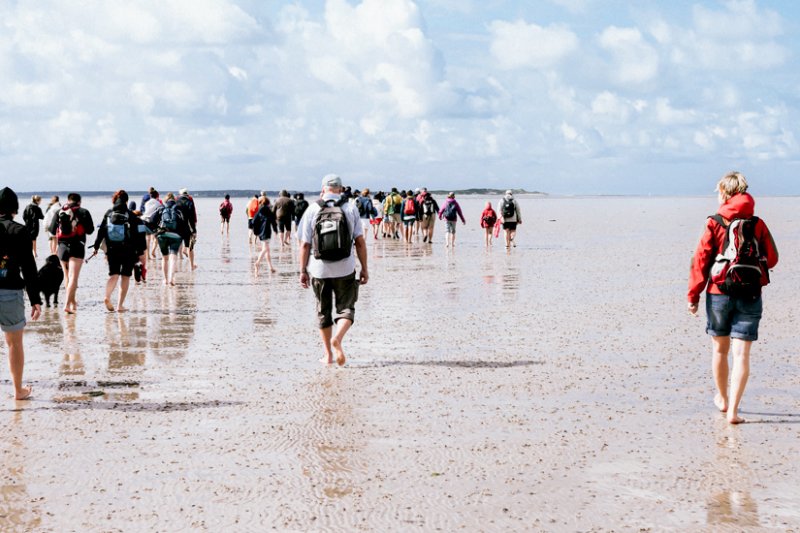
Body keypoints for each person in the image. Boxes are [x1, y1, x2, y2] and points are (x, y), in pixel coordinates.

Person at [687, 172, 779, 425]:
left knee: (720, 349)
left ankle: (723, 399)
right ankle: (733, 412)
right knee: (742, 355)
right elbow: (772, 259)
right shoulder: (757, 223)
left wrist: (693, 296)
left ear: (725, 194)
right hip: (750, 293)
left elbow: (700, 261)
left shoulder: (714, 222)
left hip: (719, 294)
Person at [298, 174, 368, 366]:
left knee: (323, 311)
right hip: (345, 267)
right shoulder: (350, 208)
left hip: (319, 269)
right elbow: (360, 242)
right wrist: (364, 268)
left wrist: (302, 270)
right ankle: (338, 338)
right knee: (346, 308)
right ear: (341, 189)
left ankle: (328, 355)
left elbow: (304, 245)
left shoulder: (313, 209)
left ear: (323, 189)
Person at [0, 187, 42, 400]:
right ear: (14, 209)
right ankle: (18, 390)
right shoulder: (20, 231)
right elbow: (29, 268)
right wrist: (35, 299)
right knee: (14, 343)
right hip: (10, 292)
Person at [90, 190, 146, 312]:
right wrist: (141, 251)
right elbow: (140, 234)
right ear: (126, 201)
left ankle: (107, 296)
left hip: (112, 250)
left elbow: (101, 231)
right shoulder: (131, 215)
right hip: (128, 251)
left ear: (115, 200)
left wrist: (96, 246)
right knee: (125, 277)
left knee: (114, 275)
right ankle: (120, 306)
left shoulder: (109, 213)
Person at [48, 192, 94, 314]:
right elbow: (90, 230)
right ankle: (67, 304)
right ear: (79, 202)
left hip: (62, 248)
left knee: (67, 276)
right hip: (77, 247)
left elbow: (51, 230)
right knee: (74, 277)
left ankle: (73, 302)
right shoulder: (83, 212)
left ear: (68, 200)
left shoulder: (60, 211)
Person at [152, 192, 188, 286]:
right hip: (176, 236)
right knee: (173, 257)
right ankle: (171, 279)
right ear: (174, 200)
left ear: (166, 200)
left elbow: (152, 220)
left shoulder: (161, 208)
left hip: (162, 235)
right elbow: (185, 225)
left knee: (165, 258)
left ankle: (165, 279)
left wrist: (155, 232)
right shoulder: (179, 209)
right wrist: (185, 241)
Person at [252, 196, 278, 275]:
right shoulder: (267, 210)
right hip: (266, 232)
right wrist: (275, 230)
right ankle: (257, 263)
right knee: (266, 249)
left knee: (267, 250)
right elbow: (273, 220)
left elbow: (253, 221)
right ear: (268, 203)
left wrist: (256, 231)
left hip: (261, 232)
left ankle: (270, 267)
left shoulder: (259, 210)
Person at [176, 188, 197, 270]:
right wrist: (194, 230)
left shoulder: (176, 202)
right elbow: (192, 219)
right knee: (190, 247)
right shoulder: (189, 203)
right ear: (187, 195)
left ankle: (175, 267)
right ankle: (192, 266)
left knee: (175, 247)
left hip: (177, 228)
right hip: (186, 228)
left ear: (180, 194)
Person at [142, 190, 163, 259]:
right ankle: (153, 251)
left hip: (144, 220)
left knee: (147, 239)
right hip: (152, 222)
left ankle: (148, 256)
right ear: (157, 196)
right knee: (157, 237)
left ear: (150, 196)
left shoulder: (146, 203)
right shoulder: (158, 203)